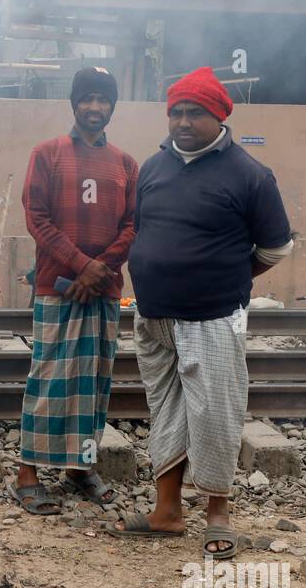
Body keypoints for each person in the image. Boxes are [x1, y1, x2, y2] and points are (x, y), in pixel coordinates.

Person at [116, 67, 293, 558]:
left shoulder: (250, 174)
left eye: (195, 112)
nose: (184, 121)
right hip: (153, 317)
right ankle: (167, 512)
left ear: (219, 115)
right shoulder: (152, 168)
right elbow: (144, 228)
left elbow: (276, 248)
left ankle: (218, 514)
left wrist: (227, 277)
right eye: (177, 111)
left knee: (215, 411)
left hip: (213, 318)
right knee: (167, 410)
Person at [12, 66, 136, 515]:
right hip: (57, 286)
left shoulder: (126, 164)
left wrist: (100, 270)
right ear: (74, 103)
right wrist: (82, 265)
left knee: (93, 382)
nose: (95, 108)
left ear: (112, 107)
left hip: (103, 290)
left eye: (103, 100)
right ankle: (27, 471)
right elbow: (36, 218)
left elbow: (132, 225)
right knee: (49, 378)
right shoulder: (47, 154)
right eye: (87, 99)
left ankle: (80, 467)